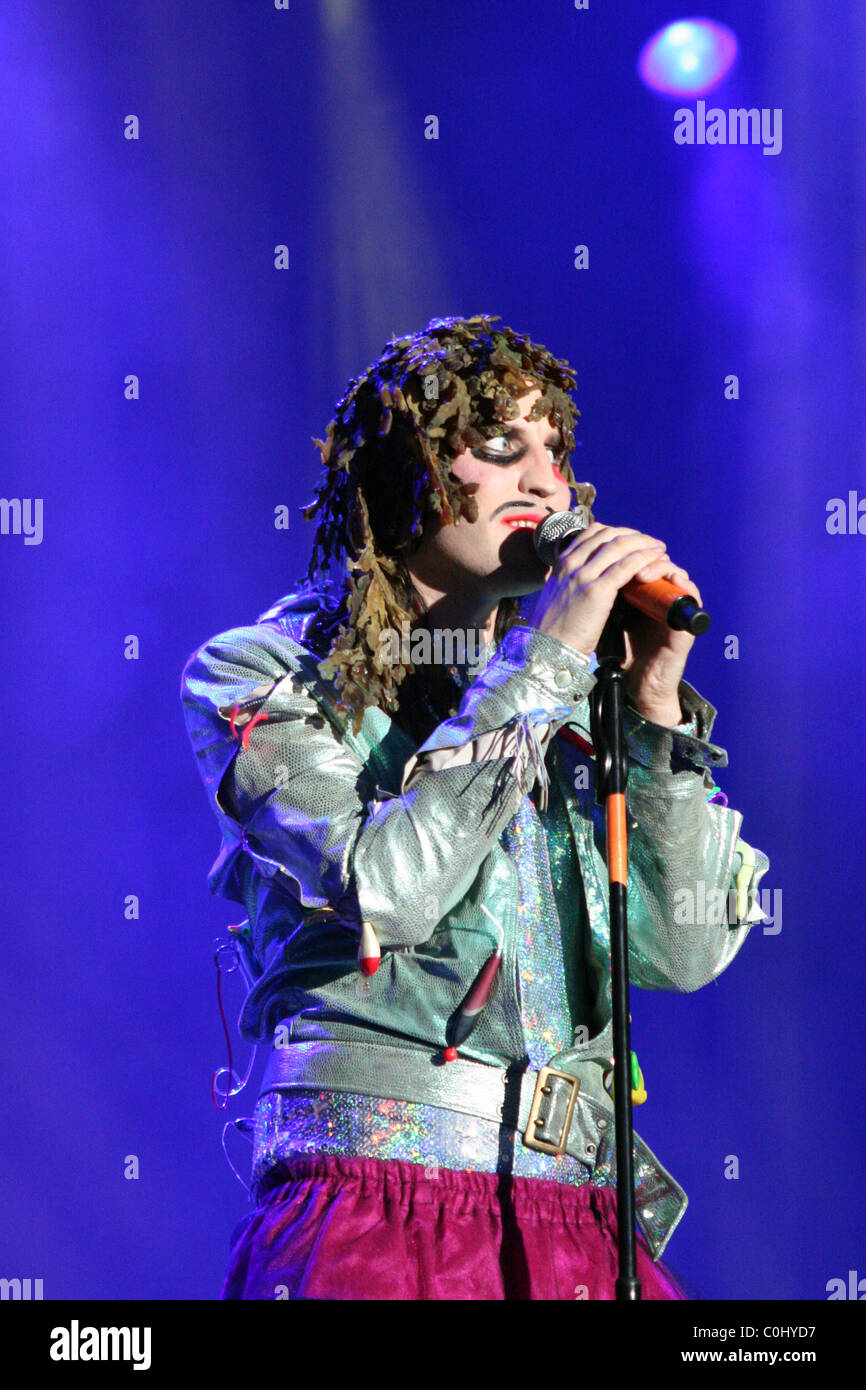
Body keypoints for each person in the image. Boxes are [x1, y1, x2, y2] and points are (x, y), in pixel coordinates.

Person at [180, 313, 768, 1301]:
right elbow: (386, 888)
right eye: (499, 447)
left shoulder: (574, 697)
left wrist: (655, 712)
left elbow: (684, 948)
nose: (544, 481)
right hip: (379, 1204)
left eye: (555, 450)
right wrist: (541, 662)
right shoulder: (259, 675)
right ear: (404, 474)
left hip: (577, 1220)